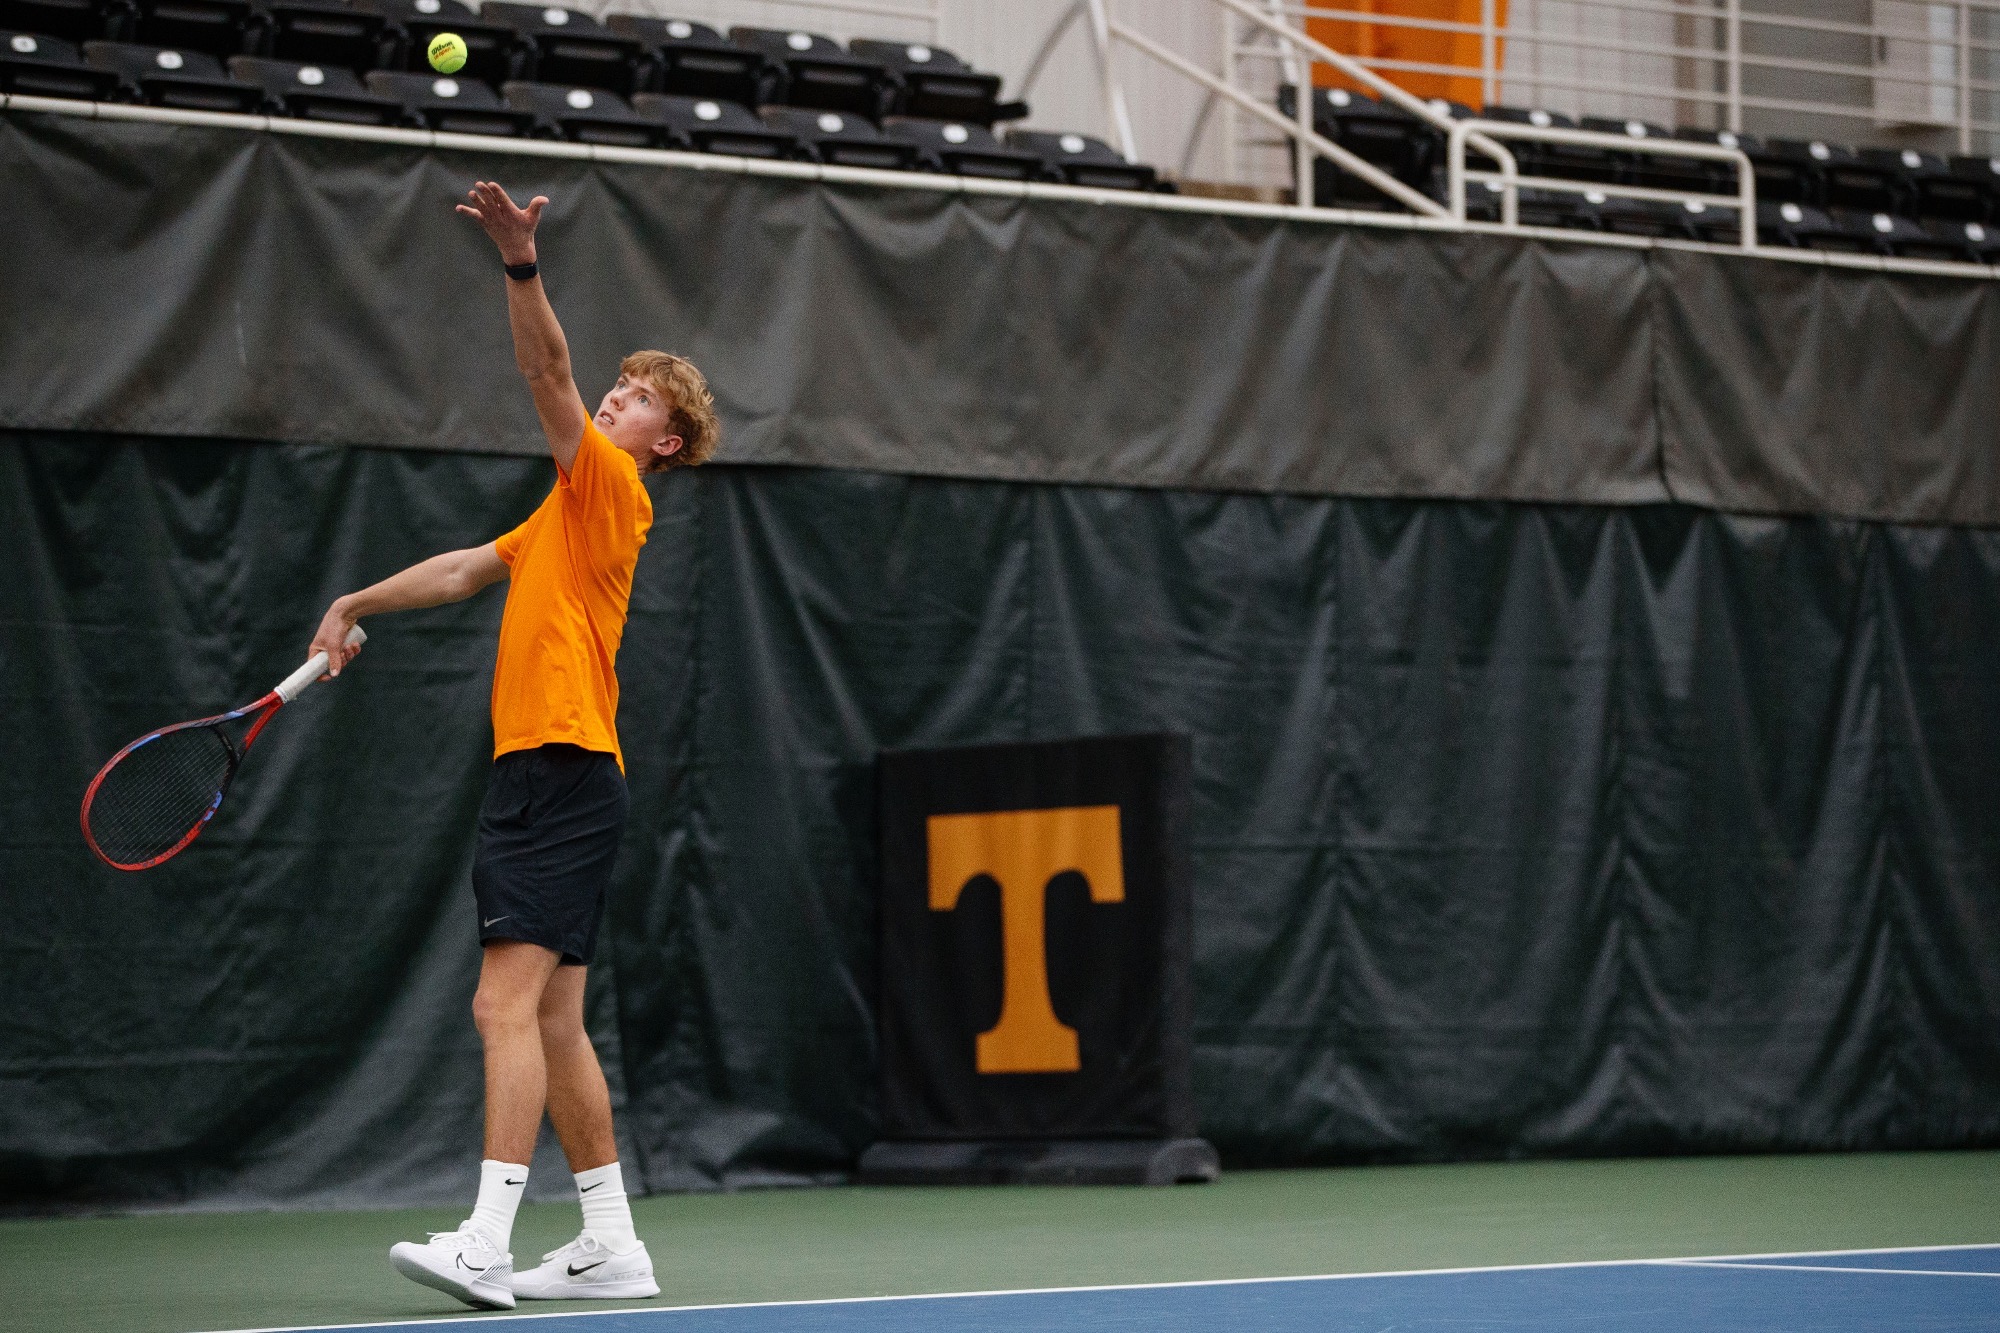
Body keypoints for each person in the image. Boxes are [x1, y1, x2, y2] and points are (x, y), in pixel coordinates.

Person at [308, 180, 718, 1311]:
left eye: (632, 396)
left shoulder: (612, 489)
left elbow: (545, 374)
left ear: (659, 439)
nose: (613, 398)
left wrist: (521, 262)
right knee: (548, 1017)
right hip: (561, 776)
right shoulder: (560, 511)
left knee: (501, 1009)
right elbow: (459, 571)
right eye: (617, 385)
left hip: (560, 771)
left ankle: (485, 1240)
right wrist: (354, 601)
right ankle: (610, 1246)